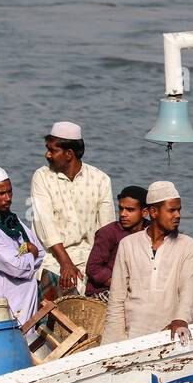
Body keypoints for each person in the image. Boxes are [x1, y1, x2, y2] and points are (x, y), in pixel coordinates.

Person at [101, 181, 193, 344]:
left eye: (179, 210)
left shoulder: (187, 245)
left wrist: (181, 320)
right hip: (132, 335)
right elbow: (117, 299)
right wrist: (112, 344)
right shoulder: (128, 244)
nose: (178, 215)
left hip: (169, 334)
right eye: (172, 210)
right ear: (153, 212)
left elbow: (188, 292)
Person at [30, 122, 115, 301]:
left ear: (69, 154)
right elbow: (45, 225)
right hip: (54, 257)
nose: (47, 155)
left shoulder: (100, 180)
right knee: (54, 287)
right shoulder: (42, 177)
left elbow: (107, 231)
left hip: (90, 257)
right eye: (48, 149)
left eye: (53, 150)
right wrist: (65, 263)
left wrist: (99, 267)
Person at [0, 166, 44, 325]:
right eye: (1, 193)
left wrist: (28, 256)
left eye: (10, 192)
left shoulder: (12, 222)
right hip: (4, 312)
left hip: (25, 309)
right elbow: (17, 268)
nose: (8, 198)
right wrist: (29, 254)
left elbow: (40, 252)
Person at [86, 185, 148, 297]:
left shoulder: (151, 232)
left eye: (130, 210)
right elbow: (93, 269)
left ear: (144, 212)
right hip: (104, 291)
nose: (123, 214)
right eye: (121, 208)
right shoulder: (108, 233)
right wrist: (123, 284)